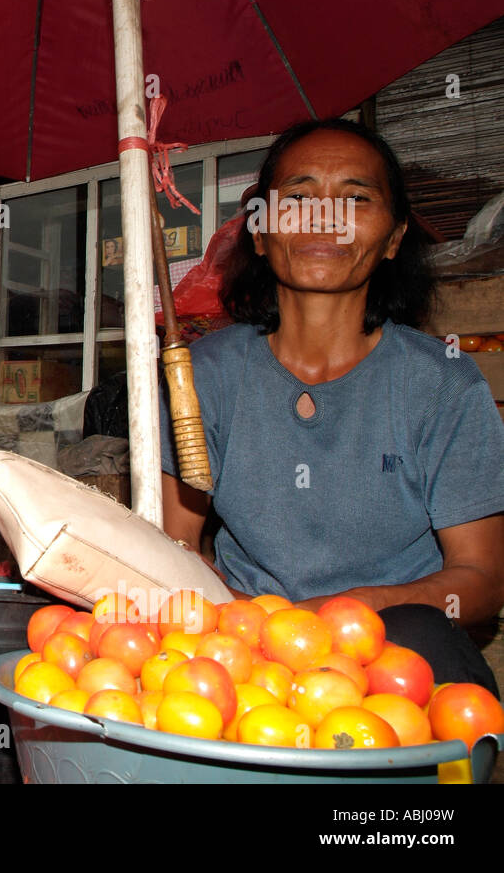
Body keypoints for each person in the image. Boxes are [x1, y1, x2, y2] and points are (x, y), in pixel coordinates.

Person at [159, 118, 504, 693]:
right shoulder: (204, 377)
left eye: (356, 198)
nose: (326, 217)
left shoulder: (443, 384)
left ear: (394, 238)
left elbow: (483, 580)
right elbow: (172, 554)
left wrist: (351, 611)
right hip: (244, 648)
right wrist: (262, 625)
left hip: (393, 654)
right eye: (297, 197)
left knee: (429, 651)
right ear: (262, 233)